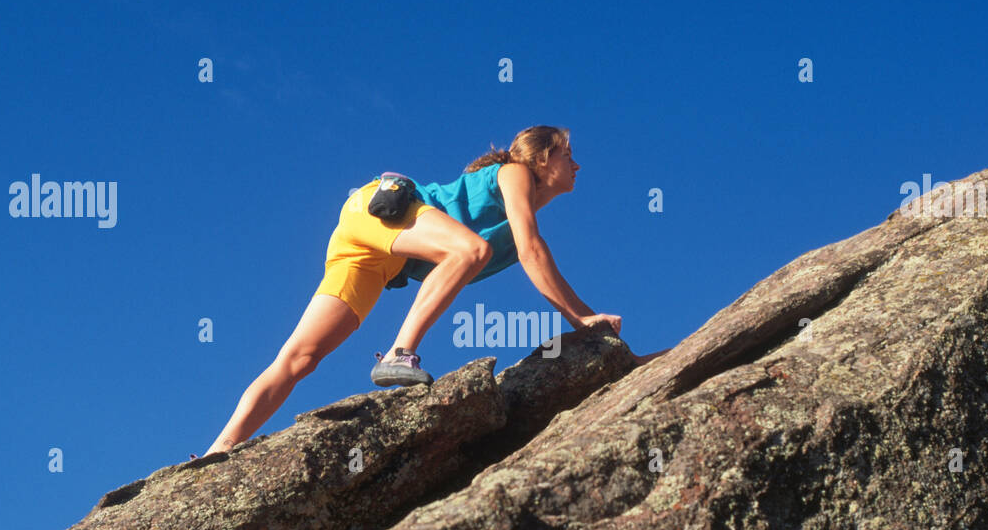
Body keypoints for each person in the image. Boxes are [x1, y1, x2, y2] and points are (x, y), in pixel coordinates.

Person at [196, 125, 667, 459]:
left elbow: (530, 254)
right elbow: (533, 252)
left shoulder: (513, 212)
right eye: (568, 154)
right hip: (378, 212)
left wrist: (591, 330)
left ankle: (220, 449)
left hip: (377, 252)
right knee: (469, 249)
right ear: (542, 158)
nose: (577, 164)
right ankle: (400, 353)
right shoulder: (515, 174)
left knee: (300, 358)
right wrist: (583, 321)